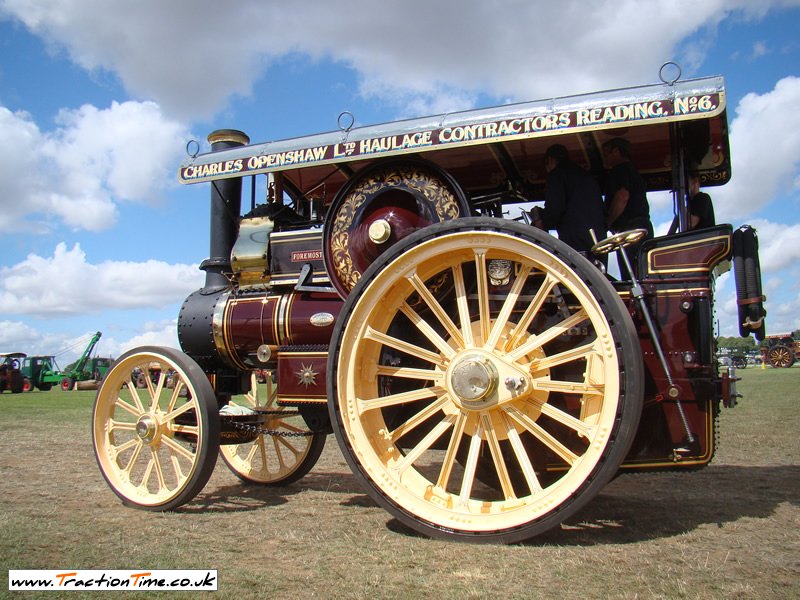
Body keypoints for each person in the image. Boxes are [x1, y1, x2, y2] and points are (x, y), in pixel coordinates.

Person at [530, 144, 606, 256]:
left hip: (575, 237)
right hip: (599, 235)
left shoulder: (557, 175)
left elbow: (555, 208)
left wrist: (543, 222)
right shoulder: (585, 175)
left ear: (550, 160)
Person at [602, 137, 653, 277]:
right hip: (641, 227)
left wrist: (608, 223)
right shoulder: (633, 172)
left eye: (606, 153)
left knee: (630, 274)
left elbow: (622, 196)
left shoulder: (619, 170)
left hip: (630, 230)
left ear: (616, 151)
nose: (604, 158)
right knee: (641, 272)